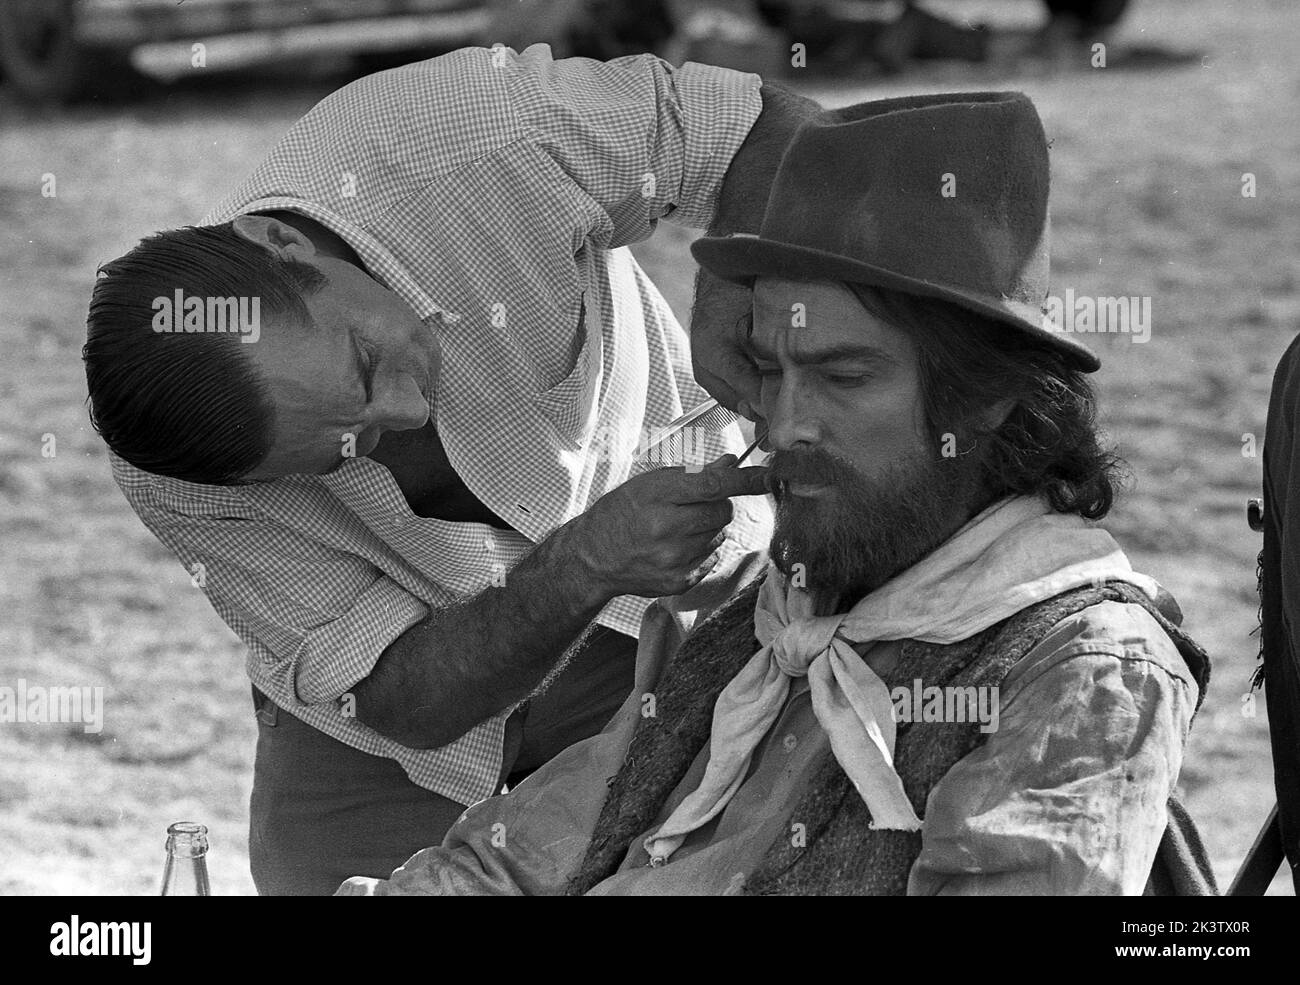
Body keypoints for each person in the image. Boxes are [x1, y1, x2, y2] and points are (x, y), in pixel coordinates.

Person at [338, 91, 1217, 896]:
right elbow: (508, 862)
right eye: (767, 368)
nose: (784, 422)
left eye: (843, 374)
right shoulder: (775, 617)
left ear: (986, 394)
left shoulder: (1079, 672)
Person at [82, 45, 819, 894]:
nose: (405, 413)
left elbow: (767, 136)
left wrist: (740, 310)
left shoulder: (460, 139)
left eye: (363, 364)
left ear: (281, 241)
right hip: (393, 717)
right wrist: (583, 562)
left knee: (705, 860)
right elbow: (402, 700)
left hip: (665, 586)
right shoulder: (178, 475)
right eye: (339, 450)